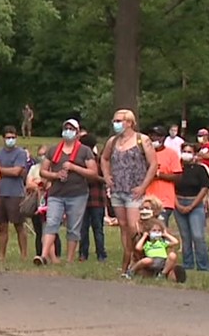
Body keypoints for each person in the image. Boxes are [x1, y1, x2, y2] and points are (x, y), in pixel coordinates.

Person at [101, 109, 158, 275]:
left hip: (135, 191)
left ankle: (140, 259)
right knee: (123, 227)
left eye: (120, 120)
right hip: (118, 190)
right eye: (115, 120)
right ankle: (127, 261)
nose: (116, 124)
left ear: (129, 122)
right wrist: (106, 176)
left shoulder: (142, 140)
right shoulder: (113, 141)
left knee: (135, 227)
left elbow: (153, 164)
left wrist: (143, 186)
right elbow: (104, 158)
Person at [38, 119, 96, 265]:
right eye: (66, 128)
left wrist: (74, 168)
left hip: (78, 194)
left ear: (77, 133)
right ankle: (44, 256)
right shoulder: (53, 150)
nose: (68, 131)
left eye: (71, 129)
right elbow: (43, 171)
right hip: (56, 193)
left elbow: (93, 173)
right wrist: (56, 175)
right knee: (51, 223)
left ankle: (69, 259)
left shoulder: (84, 150)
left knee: (73, 227)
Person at [0, 125, 30, 261]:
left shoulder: (20, 153)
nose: (11, 140)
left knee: (19, 225)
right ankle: (1, 255)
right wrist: (4, 170)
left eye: (13, 137)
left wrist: (0, 169)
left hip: (16, 194)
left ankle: (24, 255)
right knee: (2, 226)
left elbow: (17, 171)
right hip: (0, 193)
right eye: (8, 137)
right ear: (3, 138)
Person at [174, 143, 209, 271]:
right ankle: (187, 264)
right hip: (178, 202)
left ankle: (203, 266)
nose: (186, 154)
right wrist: (177, 204)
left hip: (195, 204)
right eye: (184, 151)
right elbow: (171, 187)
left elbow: (205, 188)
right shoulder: (177, 168)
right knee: (185, 236)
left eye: (189, 151)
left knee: (198, 235)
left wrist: (192, 205)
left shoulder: (200, 169)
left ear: (195, 154)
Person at [78, 134, 108, 262]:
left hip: (96, 198)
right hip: (82, 198)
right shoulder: (79, 161)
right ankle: (83, 253)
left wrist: (93, 176)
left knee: (98, 228)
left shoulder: (99, 160)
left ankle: (100, 253)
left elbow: (105, 179)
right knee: (83, 228)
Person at [146, 126, 183, 224]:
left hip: (164, 199)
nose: (154, 138)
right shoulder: (145, 154)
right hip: (147, 198)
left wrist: (158, 175)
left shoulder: (171, 154)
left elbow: (178, 177)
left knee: (160, 227)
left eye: (158, 136)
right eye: (152, 135)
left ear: (163, 138)